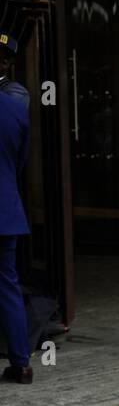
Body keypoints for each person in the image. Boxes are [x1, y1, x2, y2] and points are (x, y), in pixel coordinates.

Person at [0, 28, 32, 385]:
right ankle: (22, 363)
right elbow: (20, 161)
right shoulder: (16, 108)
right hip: (7, 212)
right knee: (8, 287)